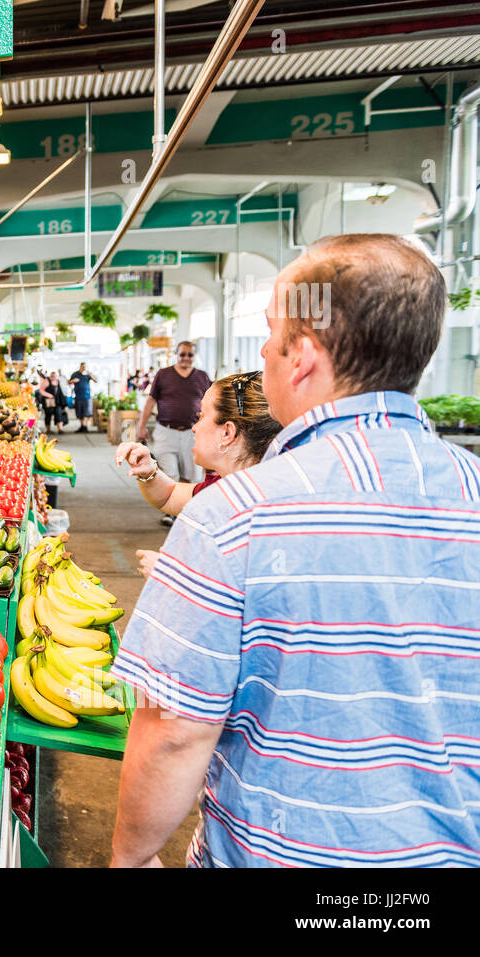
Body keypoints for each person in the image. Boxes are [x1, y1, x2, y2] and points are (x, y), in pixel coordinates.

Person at [109, 234, 480, 868]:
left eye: (270, 336)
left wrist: (131, 859)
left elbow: (175, 728)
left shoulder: (235, 514)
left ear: (302, 357)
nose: (262, 354)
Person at [116, 371, 280, 576]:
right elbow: (169, 496)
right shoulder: (222, 486)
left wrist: (174, 575)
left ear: (227, 433)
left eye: (201, 417)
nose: (194, 428)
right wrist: (149, 471)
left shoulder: (263, 508)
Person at [136, 342, 213, 524]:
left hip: (193, 433)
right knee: (168, 472)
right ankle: (169, 512)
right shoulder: (164, 375)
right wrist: (141, 425)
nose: (186, 358)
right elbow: (151, 401)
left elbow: (211, 402)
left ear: (194, 357)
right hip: (166, 431)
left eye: (190, 355)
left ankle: (183, 512)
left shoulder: (202, 377)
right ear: (176, 355)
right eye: (182, 354)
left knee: (190, 474)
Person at [67, 363, 97, 432]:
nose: (84, 368)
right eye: (82, 367)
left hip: (87, 396)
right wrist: (73, 381)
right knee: (79, 412)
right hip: (78, 396)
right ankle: (82, 426)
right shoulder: (75, 374)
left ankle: (84, 425)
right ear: (80, 367)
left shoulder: (88, 374)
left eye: (85, 367)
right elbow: (68, 382)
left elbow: (96, 381)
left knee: (86, 412)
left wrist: (90, 374)